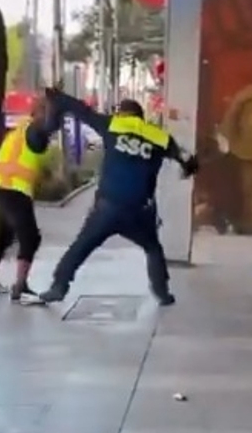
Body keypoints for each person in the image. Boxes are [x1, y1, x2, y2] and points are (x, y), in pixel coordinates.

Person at [37, 90, 199, 306]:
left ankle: (58, 287)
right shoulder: (161, 138)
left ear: (122, 114)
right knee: (153, 248)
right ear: (141, 117)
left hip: (108, 208)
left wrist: (55, 97)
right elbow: (188, 161)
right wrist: (188, 168)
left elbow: (81, 110)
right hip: (139, 212)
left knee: (81, 247)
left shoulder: (113, 125)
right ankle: (162, 293)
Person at [0, 96, 62, 304]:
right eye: (47, 112)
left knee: (4, 233)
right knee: (31, 237)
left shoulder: (20, 129)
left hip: (0, 186)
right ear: (40, 112)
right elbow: (42, 135)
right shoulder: (34, 129)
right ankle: (21, 286)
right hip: (14, 190)